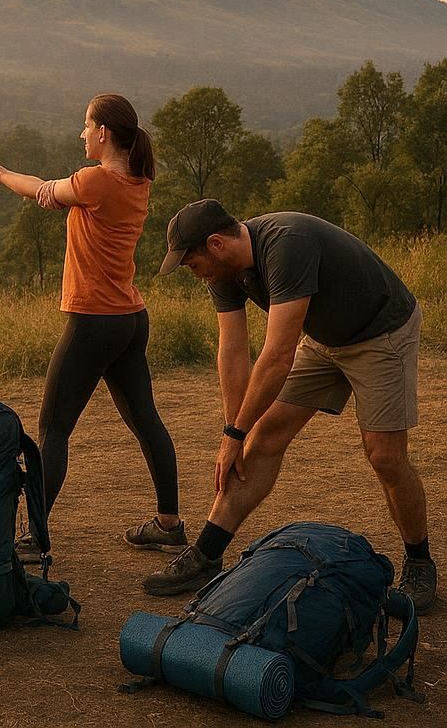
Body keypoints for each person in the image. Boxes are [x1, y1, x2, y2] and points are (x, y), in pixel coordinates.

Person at [143, 200, 436, 613]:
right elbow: (233, 351)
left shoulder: (286, 244)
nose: (195, 273)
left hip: (380, 332)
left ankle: (420, 562)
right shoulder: (224, 270)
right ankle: (207, 555)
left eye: (192, 264)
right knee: (261, 440)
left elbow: (278, 354)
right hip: (323, 340)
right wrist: (234, 430)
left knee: (385, 456)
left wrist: (234, 434)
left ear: (215, 244)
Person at [0, 94, 184, 557]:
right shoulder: (137, 178)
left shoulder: (97, 181)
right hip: (131, 318)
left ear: (104, 132)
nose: (82, 133)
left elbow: (41, 192)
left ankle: (35, 537)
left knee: (53, 429)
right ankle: (169, 524)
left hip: (94, 321)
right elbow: (53, 190)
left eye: (87, 126)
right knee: (147, 421)